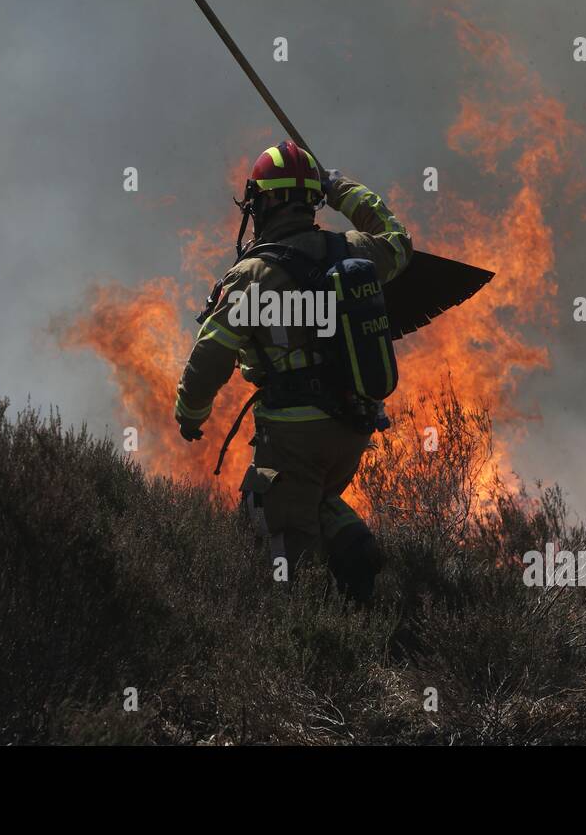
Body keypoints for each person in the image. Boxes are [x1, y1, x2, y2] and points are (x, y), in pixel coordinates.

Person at [174, 140, 412, 604]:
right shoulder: (354, 251)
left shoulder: (254, 275)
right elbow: (398, 242)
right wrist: (341, 187)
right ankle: (356, 549)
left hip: (291, 436)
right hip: (351, 427)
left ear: (265, 202)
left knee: (282, 541)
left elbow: (211, 356)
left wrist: (190, 414)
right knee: (316, 498)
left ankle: (317, 641)